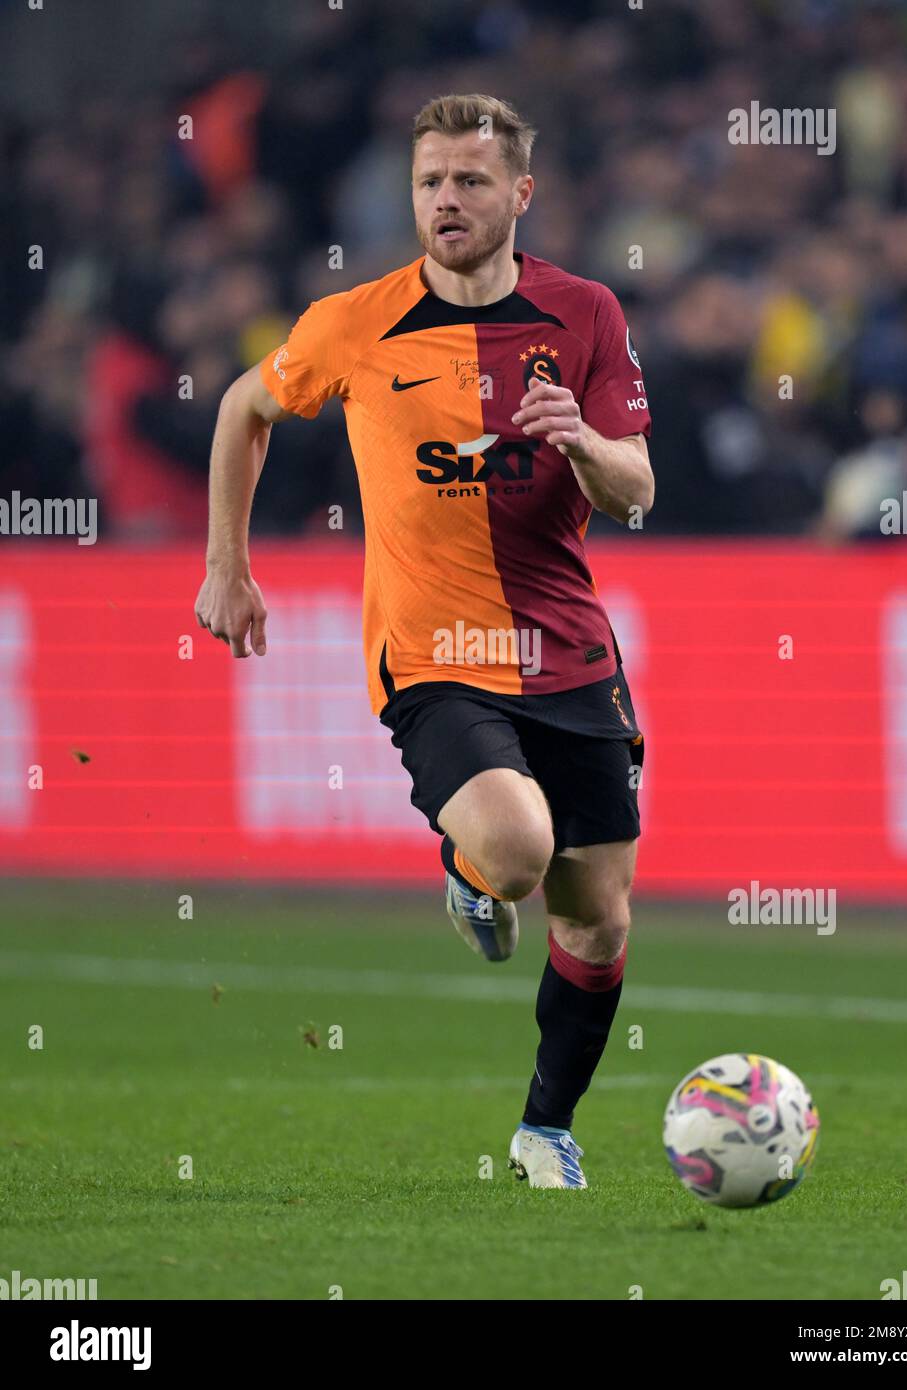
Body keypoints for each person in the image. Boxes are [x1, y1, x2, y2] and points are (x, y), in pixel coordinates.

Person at [195, 93, 653, 1188]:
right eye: (430, 182)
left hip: (571, 655)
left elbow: (636, 488)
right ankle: (470, 867)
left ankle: (544, 1128)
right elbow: (241, 409)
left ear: (520, 195)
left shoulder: (584, 312)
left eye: (471, 182)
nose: (447, 200)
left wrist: (581, 439)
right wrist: (227, 565)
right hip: (433, 654)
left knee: (595, 920)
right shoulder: (353, 322)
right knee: (517, 850)